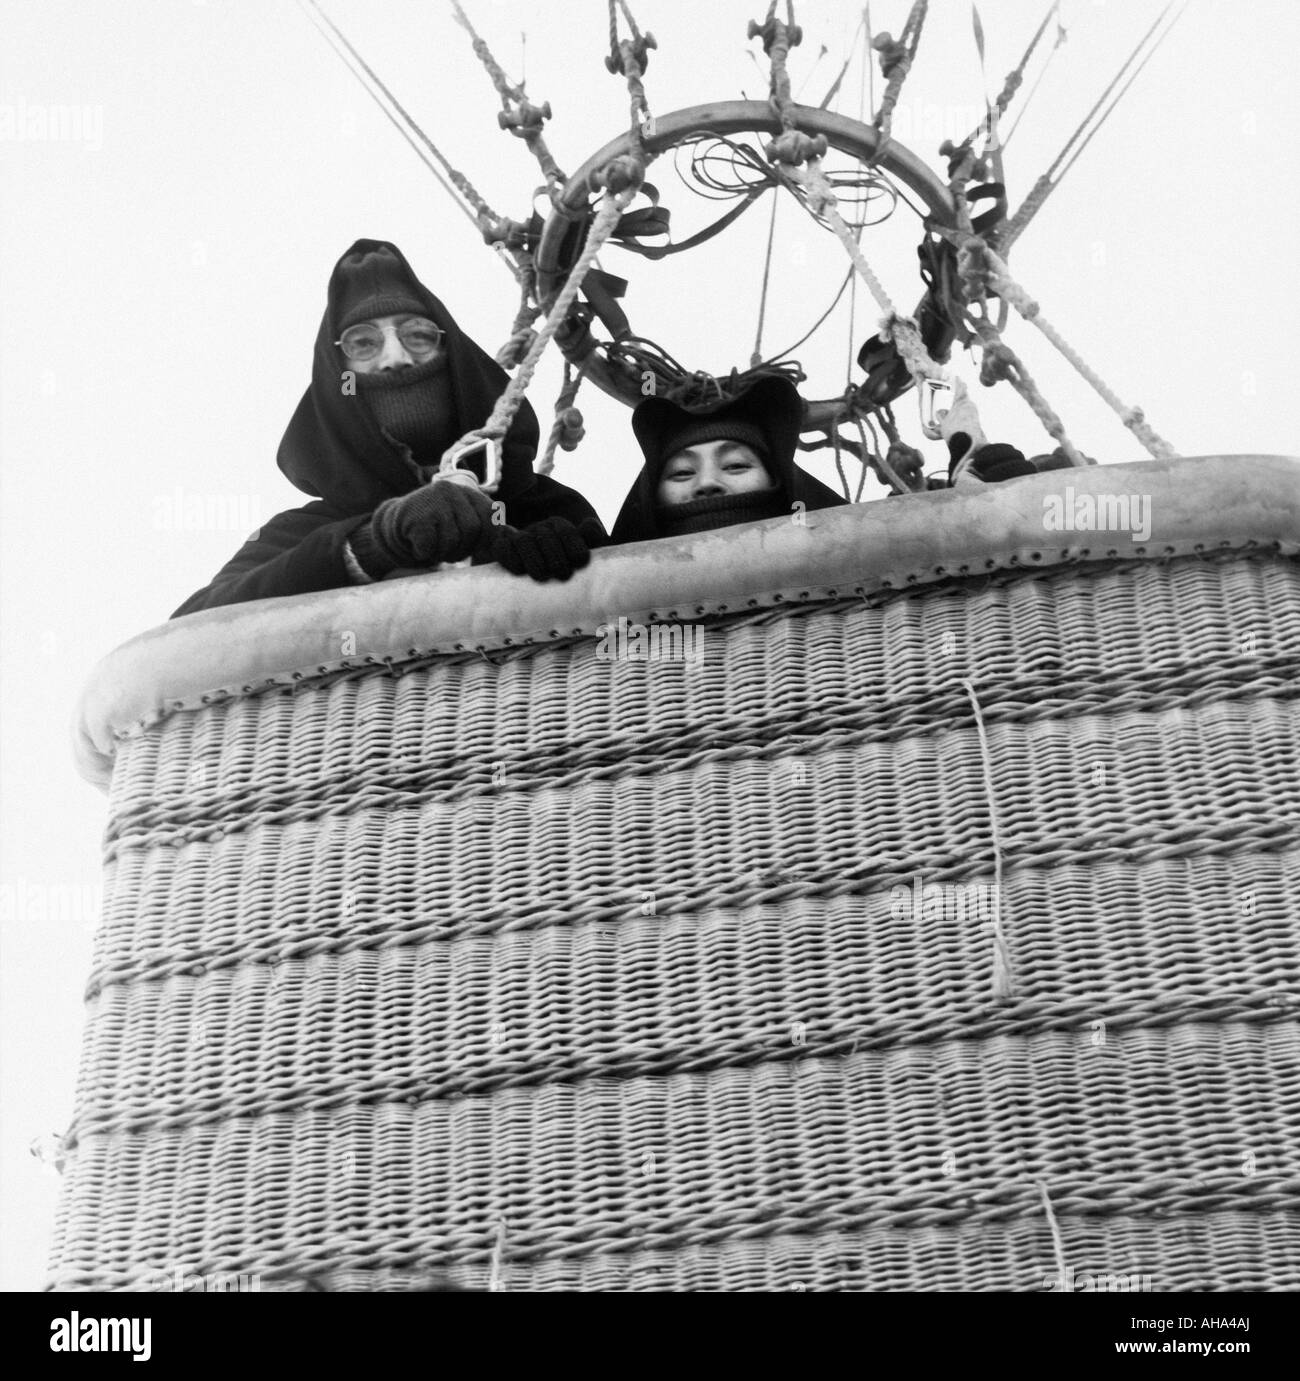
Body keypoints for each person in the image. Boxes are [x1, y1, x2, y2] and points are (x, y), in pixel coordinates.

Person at [171, 239, 605, 618]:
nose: (395, 358)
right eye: (364, 343)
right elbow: (189, 634)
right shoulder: (299, 533)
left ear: (455, 359)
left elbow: (644, 621)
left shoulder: (546, 507)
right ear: (337, 375)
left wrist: (574, 571)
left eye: (417, 336)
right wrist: (371, 545)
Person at [609, 374, 849, 543]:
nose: (706, 484)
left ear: (779, 481)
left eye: (735, 466)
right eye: (682, 472)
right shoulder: (617, 613)